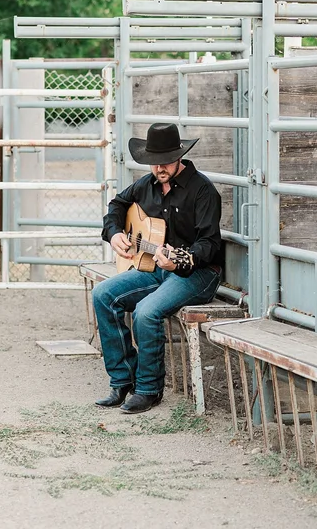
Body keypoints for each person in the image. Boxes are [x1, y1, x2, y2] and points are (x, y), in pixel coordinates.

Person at [93, 122, 224, 414]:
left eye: (164, 161)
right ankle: (122, 379)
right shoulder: (146, 184)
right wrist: (114, 233)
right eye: (153, 162)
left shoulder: (202, 190)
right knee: (103, 294)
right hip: (154, 266)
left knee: (146, 311)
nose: (158, 168)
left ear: (179, 156)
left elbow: (210, 243)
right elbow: (117, 204)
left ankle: (149, 389)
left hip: (197, 273)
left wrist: (180, 259)